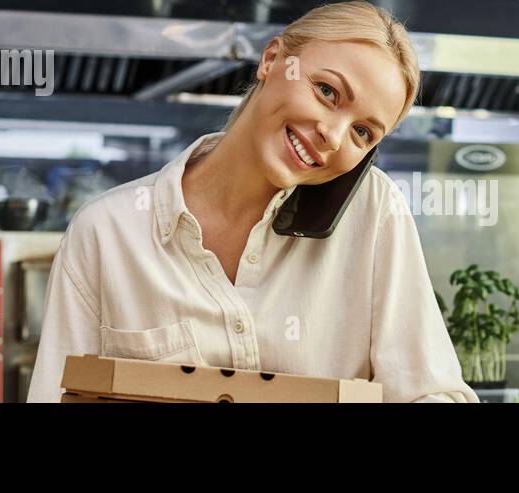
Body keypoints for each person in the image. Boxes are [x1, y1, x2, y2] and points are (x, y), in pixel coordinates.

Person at [27, 1, 478, 403]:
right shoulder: (107, 231)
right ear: (272, 59)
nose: (333, 135)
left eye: (363, 132)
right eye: (327, 91)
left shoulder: (374, 211)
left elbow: (432, 392)